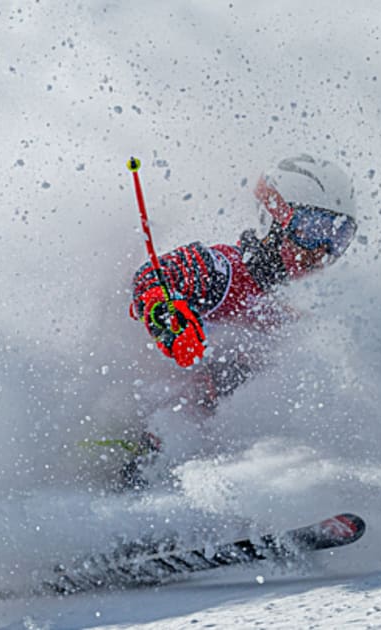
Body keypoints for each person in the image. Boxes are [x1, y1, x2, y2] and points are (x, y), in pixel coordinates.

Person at [118, 154, 358, 488]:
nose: (323, 249)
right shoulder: (225, 270)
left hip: (208, 464)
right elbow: (153, 278)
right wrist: (170, 320)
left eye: (339, 235)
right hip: (137, 441)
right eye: (312, 229)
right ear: (273, 218)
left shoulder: (283, 313)